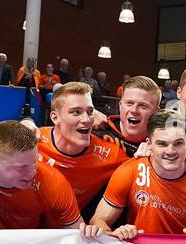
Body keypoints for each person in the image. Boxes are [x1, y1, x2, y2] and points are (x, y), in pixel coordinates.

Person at [92, 111, 186, 244]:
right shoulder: (130, 170)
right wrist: (116, 234)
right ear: (149, 144)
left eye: (178, 143)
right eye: (162, 144)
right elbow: (98, 220)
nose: (170, 151)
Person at [32, 82, 128, 214]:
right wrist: (26, 120)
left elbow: (142, 168)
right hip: (22, 229)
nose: (86, 119)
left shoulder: (109, 153)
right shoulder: (33, 140)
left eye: (90, 111)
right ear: (55, 117)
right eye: (76, 112)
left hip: (72, 229)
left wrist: (148, 150)